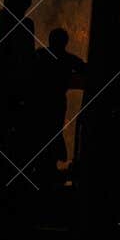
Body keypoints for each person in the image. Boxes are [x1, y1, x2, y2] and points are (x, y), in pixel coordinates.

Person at [31, 27, 86, 183]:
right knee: (53, 131)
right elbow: (84, 68)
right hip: (56, 103)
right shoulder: (67, 59)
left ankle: (42, 165)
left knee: (43, 132)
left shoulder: (40, 55)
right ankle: (49, 165)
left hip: (41, 103)